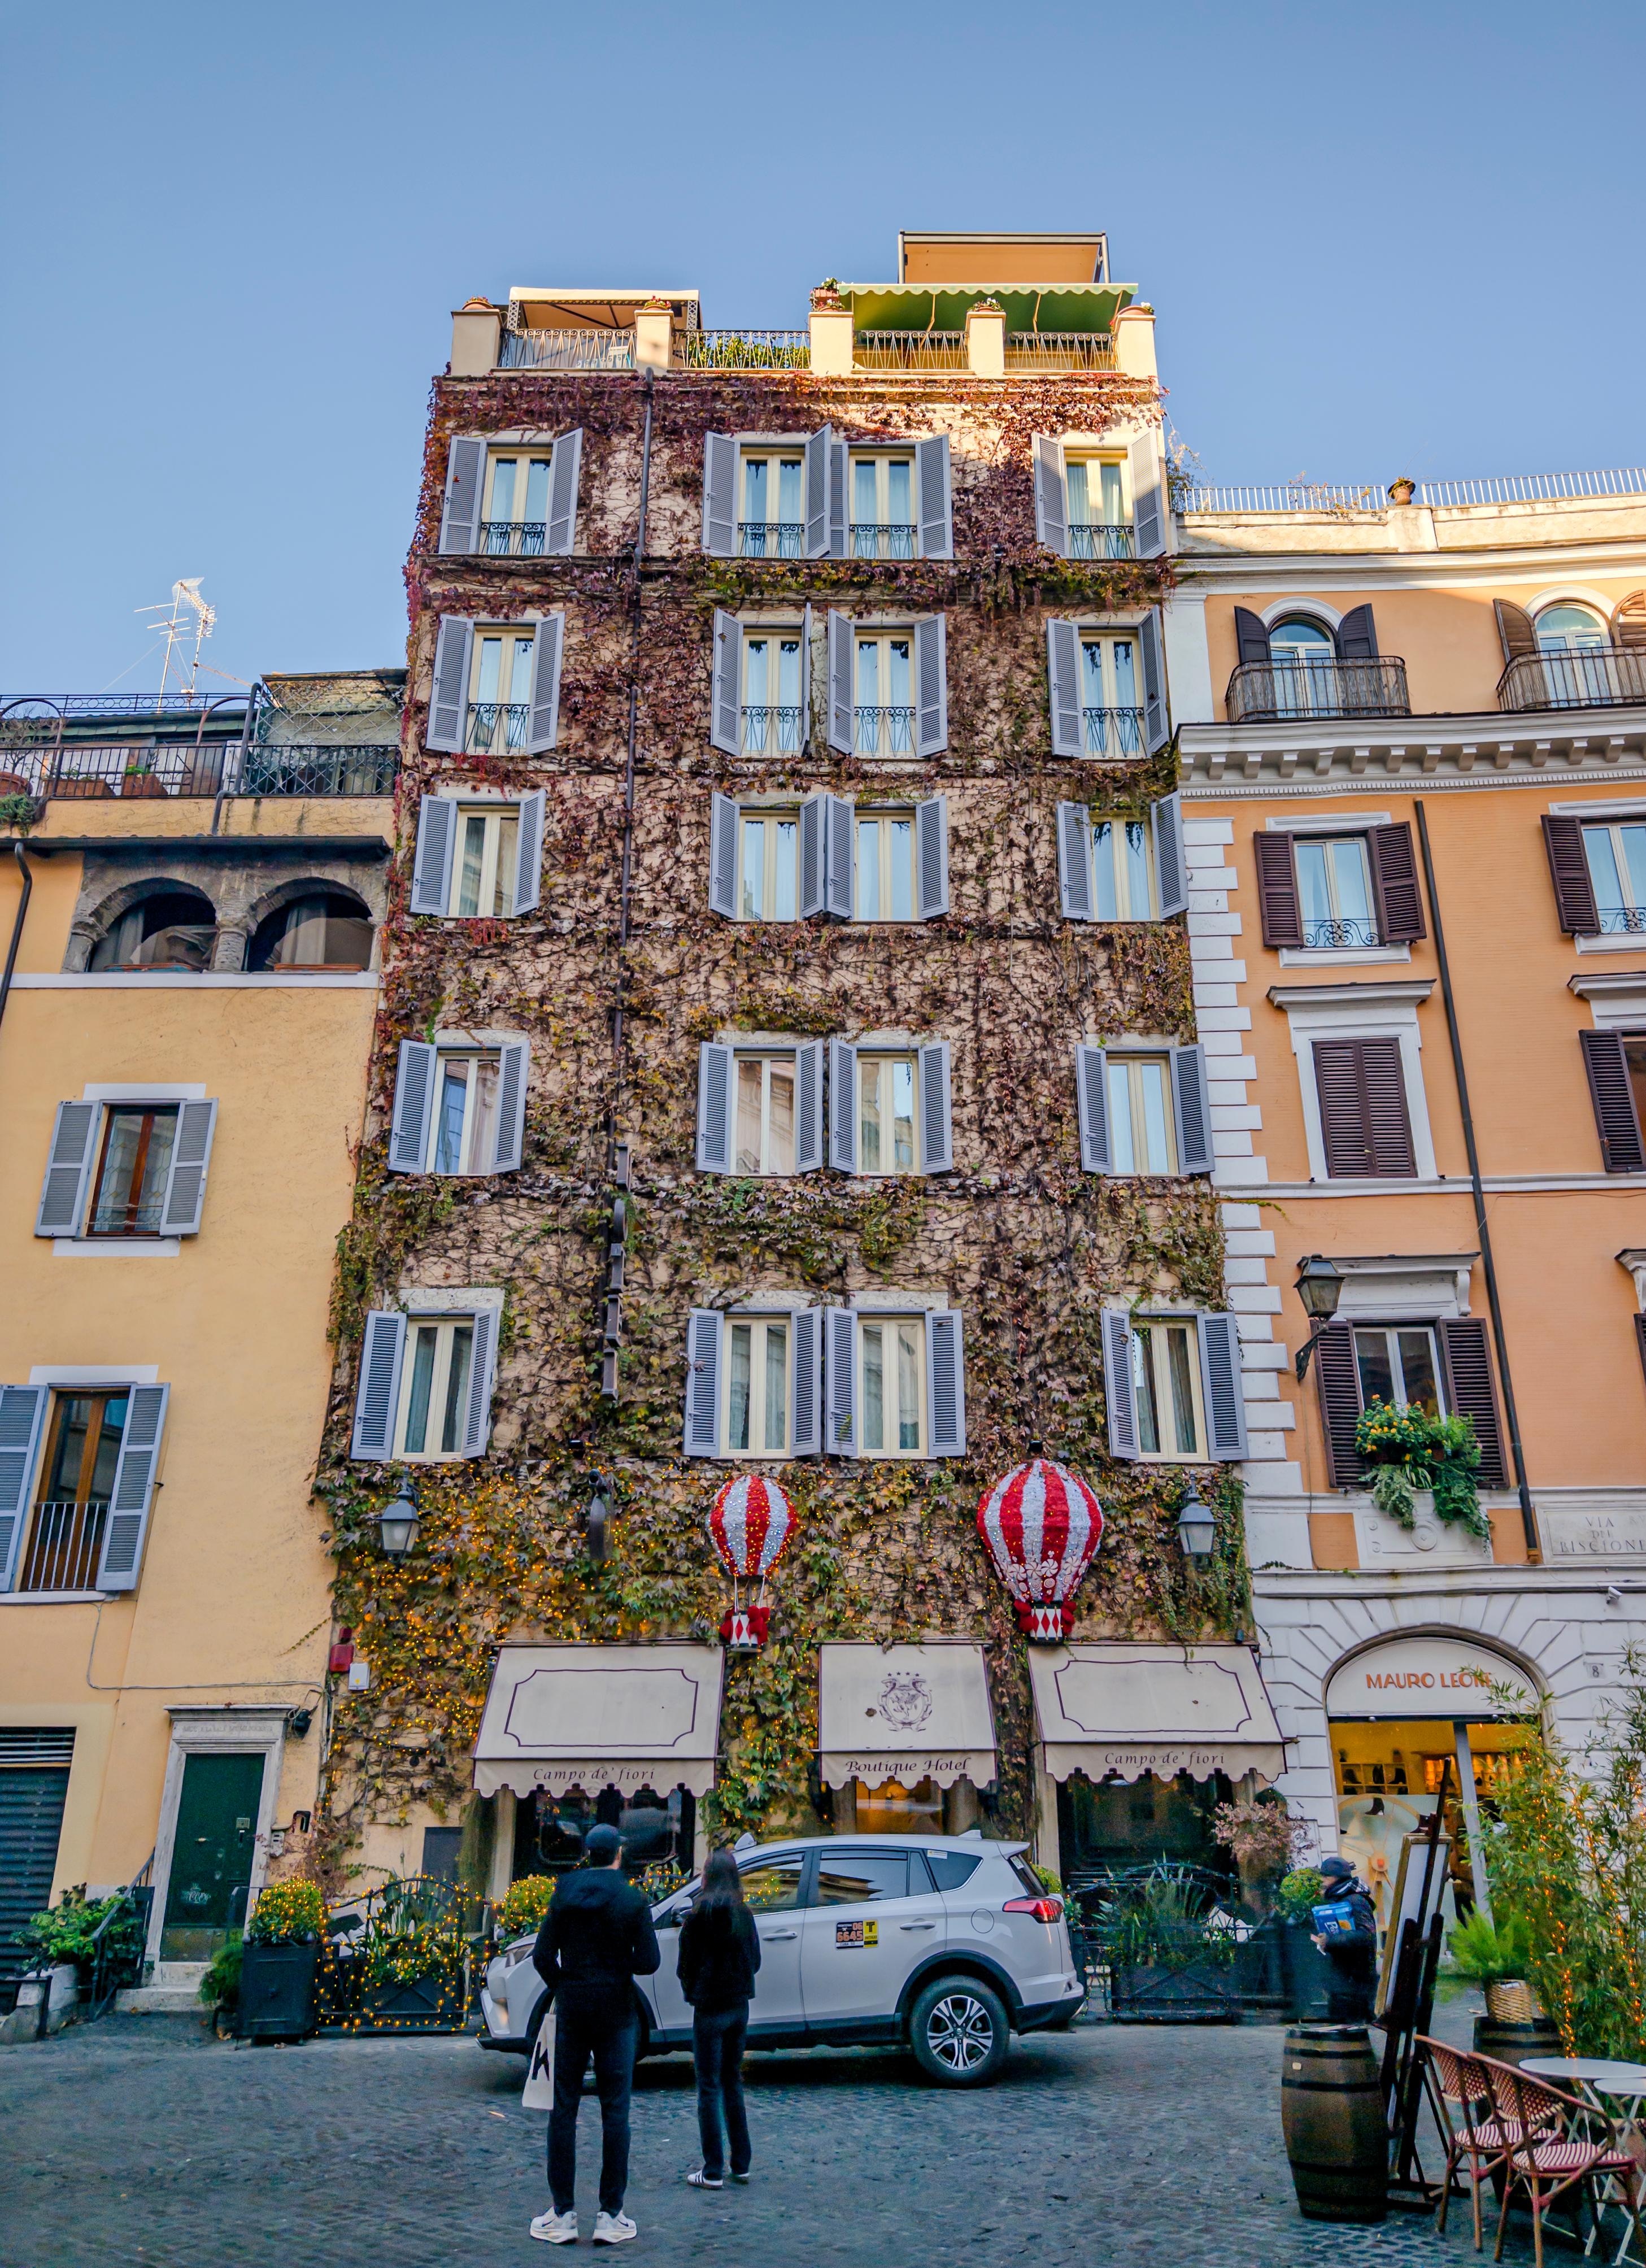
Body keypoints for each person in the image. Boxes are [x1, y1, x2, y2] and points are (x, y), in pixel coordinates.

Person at [528, 1823, 661, 2247]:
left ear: (588, 1853)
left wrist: (565, 1985)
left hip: (573, 2008)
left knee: (563, 2108)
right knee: (615, 2110)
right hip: (616, 2009)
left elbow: (542, 1955)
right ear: (618, 1855)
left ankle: (563, 2212)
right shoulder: (631, 1897)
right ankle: (611, 2213)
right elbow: (651, 1961)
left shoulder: (564, 1892)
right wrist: (618, 1968)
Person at [677, 1848, 762, 2189]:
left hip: (708, 2008)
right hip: (739, 2006)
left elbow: (684, 1967)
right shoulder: (744, 1915)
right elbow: (756, 1961)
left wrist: (693, 1992)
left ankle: (713, 2169)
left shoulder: (697, 1917)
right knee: (732, 2082)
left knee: (709, 2087)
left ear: (707, 1877)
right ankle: (741, 2163)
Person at [1312, 1853, 1379, 2023]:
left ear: (1338, 1878)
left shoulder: (1355, 1901)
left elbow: (1366, 1935)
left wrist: (1330, 1941)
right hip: (1345, 1982)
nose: (1322, 1881)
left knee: (1351, 2030)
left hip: (1354, 1983)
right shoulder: (1343, 1899)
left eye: (1326, 1876)